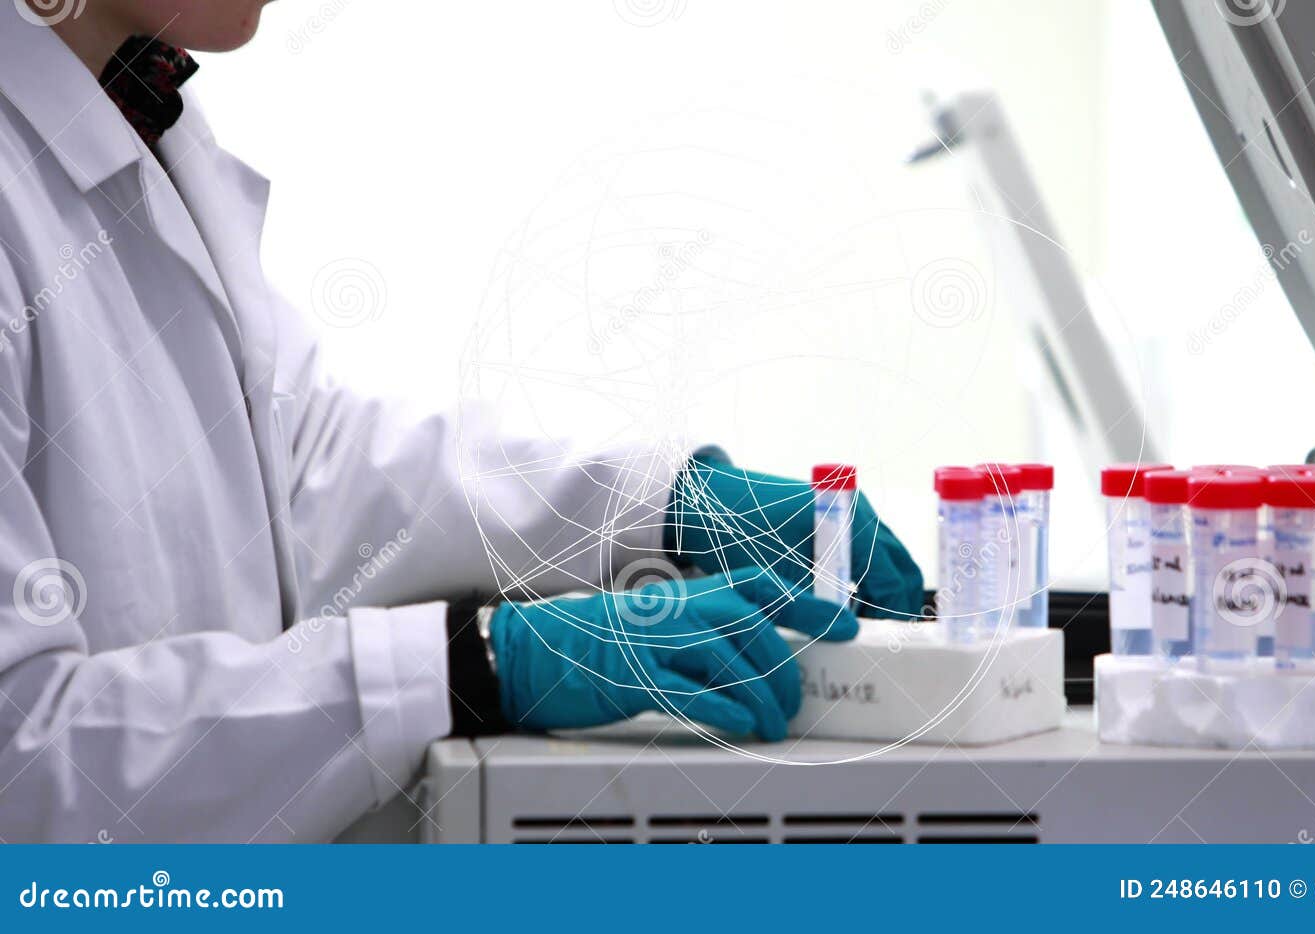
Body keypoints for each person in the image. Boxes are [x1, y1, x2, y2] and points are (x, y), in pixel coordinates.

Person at [0, 1, 923, 842]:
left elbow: (298, 464)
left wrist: (651, 505)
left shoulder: (137, 104)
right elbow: (21, 761)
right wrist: (466, 667)